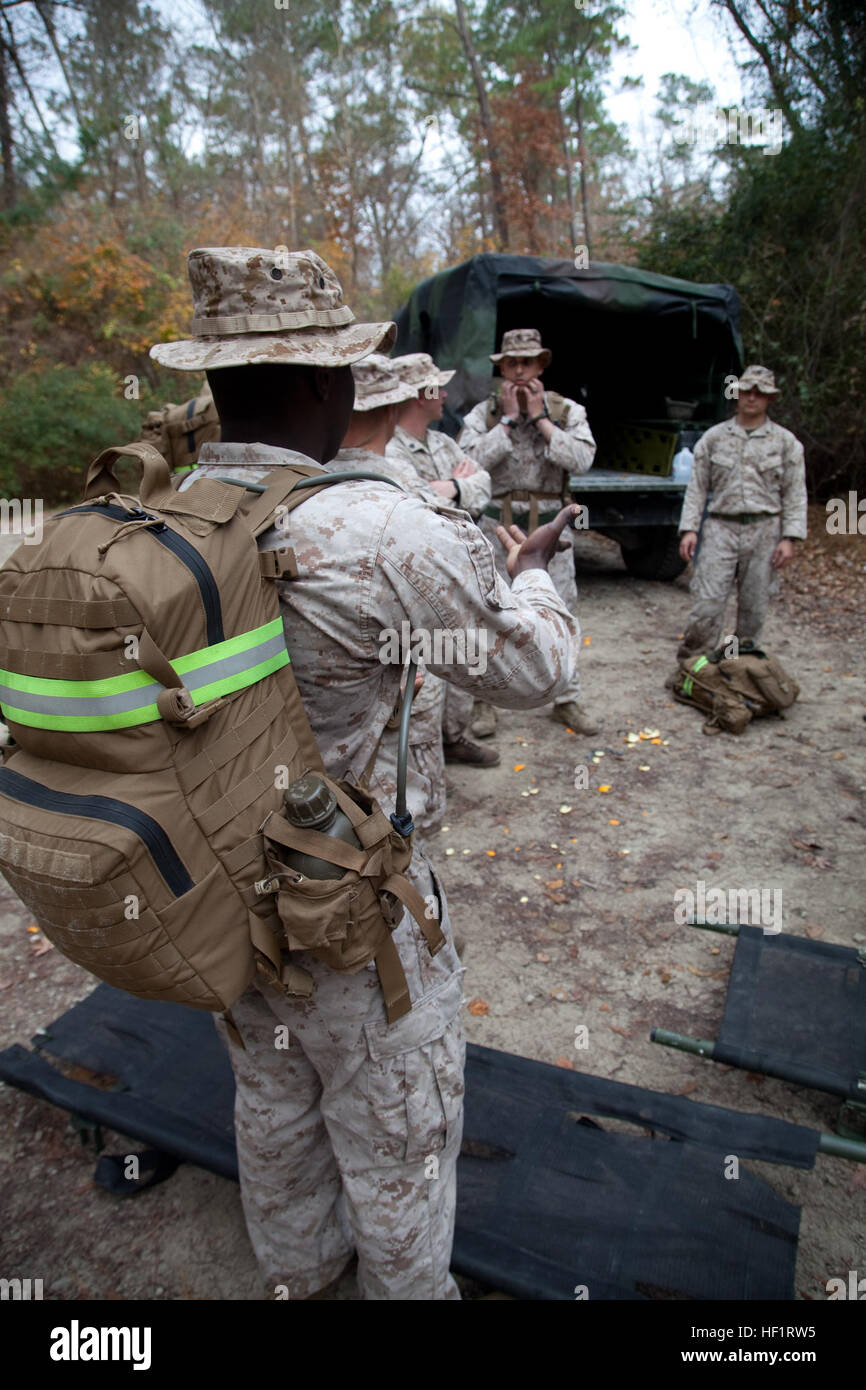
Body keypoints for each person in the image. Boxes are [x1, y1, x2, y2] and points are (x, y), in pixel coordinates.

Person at [150, 246, 579, 1301]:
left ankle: (298, 1274)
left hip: (217, 897)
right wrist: (529, 585)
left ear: (213, 377)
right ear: (321, 383)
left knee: (273, 1092)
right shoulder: (375, 524)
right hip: (355, 907)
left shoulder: (161, 513)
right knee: (399, 1121)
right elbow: (530, 670)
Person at [459, 327, 599, 737]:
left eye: (528, 362)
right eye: (510, 363)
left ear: (542, 365)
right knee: (487, 611)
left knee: (563, 607)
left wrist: (540, 419)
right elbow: (467, 465)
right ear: (500, 367)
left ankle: (567, 699)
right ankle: (484, 702)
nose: (519, 371)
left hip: (551, 529)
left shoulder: (566, 411)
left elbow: (583, 459)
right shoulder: (482, 415)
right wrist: (505, 423)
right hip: (495, 525)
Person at [387, 353, 498, 768]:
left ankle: (454, 737)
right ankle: (423, 757)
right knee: (424, 666)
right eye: (437, 386)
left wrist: (452, 487)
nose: (446, 394)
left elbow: (483, 483)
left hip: (459, 570)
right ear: (419, 396)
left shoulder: (444, 442)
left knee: (465, 653)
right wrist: (458, 489)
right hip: (420, 576)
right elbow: (415, 503)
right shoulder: (391, 449)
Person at [677, 365, 807, 659]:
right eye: (746, 391)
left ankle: (743, 668)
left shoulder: (786, 443)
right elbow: (697, 488)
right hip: (720, 529)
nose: (752, 398)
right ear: (736, 395)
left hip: (765, 531)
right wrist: (689, 529)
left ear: (770, 399)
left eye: (760, 393)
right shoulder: (713, 438)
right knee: (706, 604)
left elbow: (795, 492)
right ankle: (692, 667)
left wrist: (790, 537)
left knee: (754, 608)